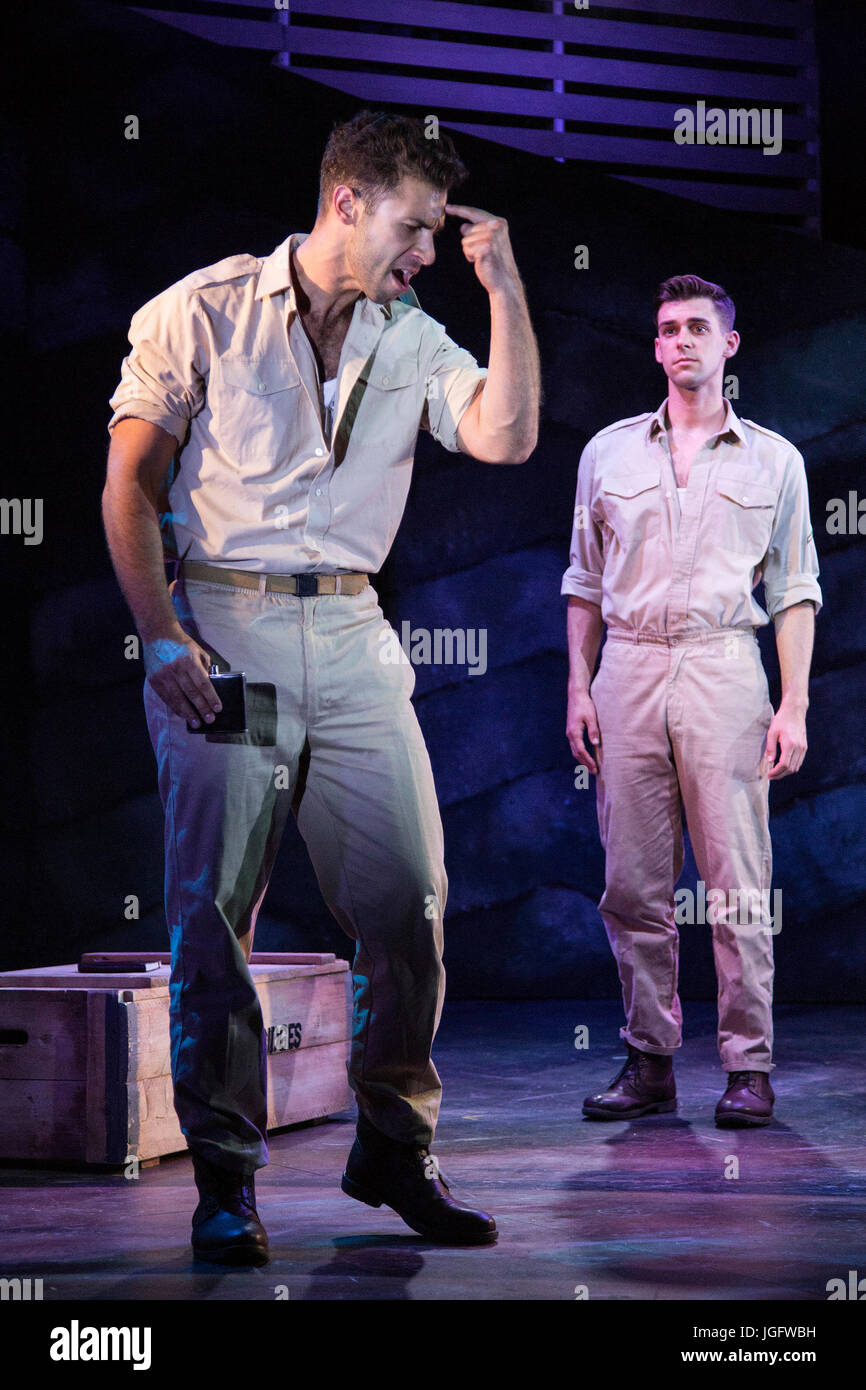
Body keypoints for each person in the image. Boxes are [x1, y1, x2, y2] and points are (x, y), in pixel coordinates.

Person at [102, 109, 540, 1262]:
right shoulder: (200, 310)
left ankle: (392, 1149)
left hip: (352, 635)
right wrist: (161, 639)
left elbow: (504, 438)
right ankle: (226, 1178)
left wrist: (502, 290)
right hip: (224, 629)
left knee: (410, 900)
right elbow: (129, 488)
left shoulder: (412, 332)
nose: (426, 249)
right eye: (416, 225)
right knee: (214, 921)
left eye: (440, 233)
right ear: (347, 201)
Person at [563, 274, 821, 1129]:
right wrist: (578, 685)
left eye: (697, 328)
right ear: (656, 346)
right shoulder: (607, 453)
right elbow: (584, 582)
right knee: (632, 886)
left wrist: (794, 706)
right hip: (629, 668)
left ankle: (748, 1067)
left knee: (737, 885)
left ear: (728, 345)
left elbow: (792, 592)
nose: (681, 341)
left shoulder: (775, 458)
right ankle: (649, 1061)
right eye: (668, 329)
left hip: (722, 667)